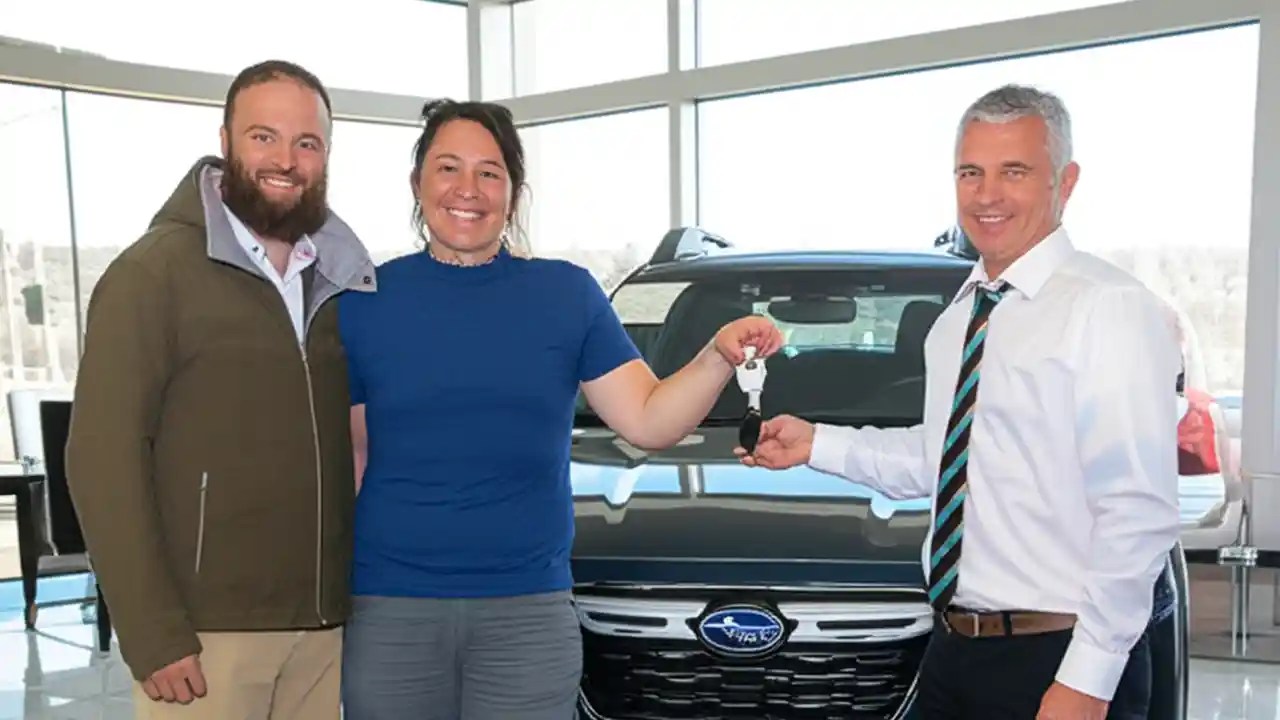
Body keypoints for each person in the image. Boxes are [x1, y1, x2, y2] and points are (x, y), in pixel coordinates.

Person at [735, 84, 1181, 719]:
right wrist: (817, 443)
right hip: (952, 649)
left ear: (1066, 181)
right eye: (970, 172)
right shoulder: (959, 319)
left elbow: (1137, 513)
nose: (987, 194)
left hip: (1056, 654)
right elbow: (942, 459)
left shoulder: (1106, 308)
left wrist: (1087, 680)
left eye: (1014, 172)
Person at [336, 98, 782, 719]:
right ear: (418, 184)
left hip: (525, 615)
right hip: (390, 609)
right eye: (448, 168)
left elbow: (647, 417)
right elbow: (352, 463)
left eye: (490, 172)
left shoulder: (564, 295)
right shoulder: (362, 304)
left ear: (513, 193)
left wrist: (715, 356)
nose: (469, 189)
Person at [65, 60, 375, 720]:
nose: (285, 160)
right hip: (205, 641)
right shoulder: (152, 275)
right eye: (264, 136)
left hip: (321, 631)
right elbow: (101, 457)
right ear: (226, 140)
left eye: (307, 143)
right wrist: (150, 632)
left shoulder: (340, 282)